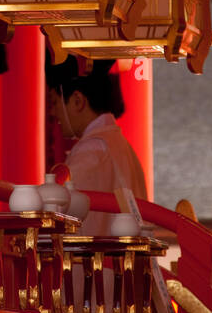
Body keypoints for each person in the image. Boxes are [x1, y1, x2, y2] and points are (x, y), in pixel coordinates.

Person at [46, 57, 148, 236]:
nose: (53, 112)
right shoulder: (117, 144)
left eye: (55, 102)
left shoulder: (92, 150)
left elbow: (62, 213)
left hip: (101, 262)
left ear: (78, 100)